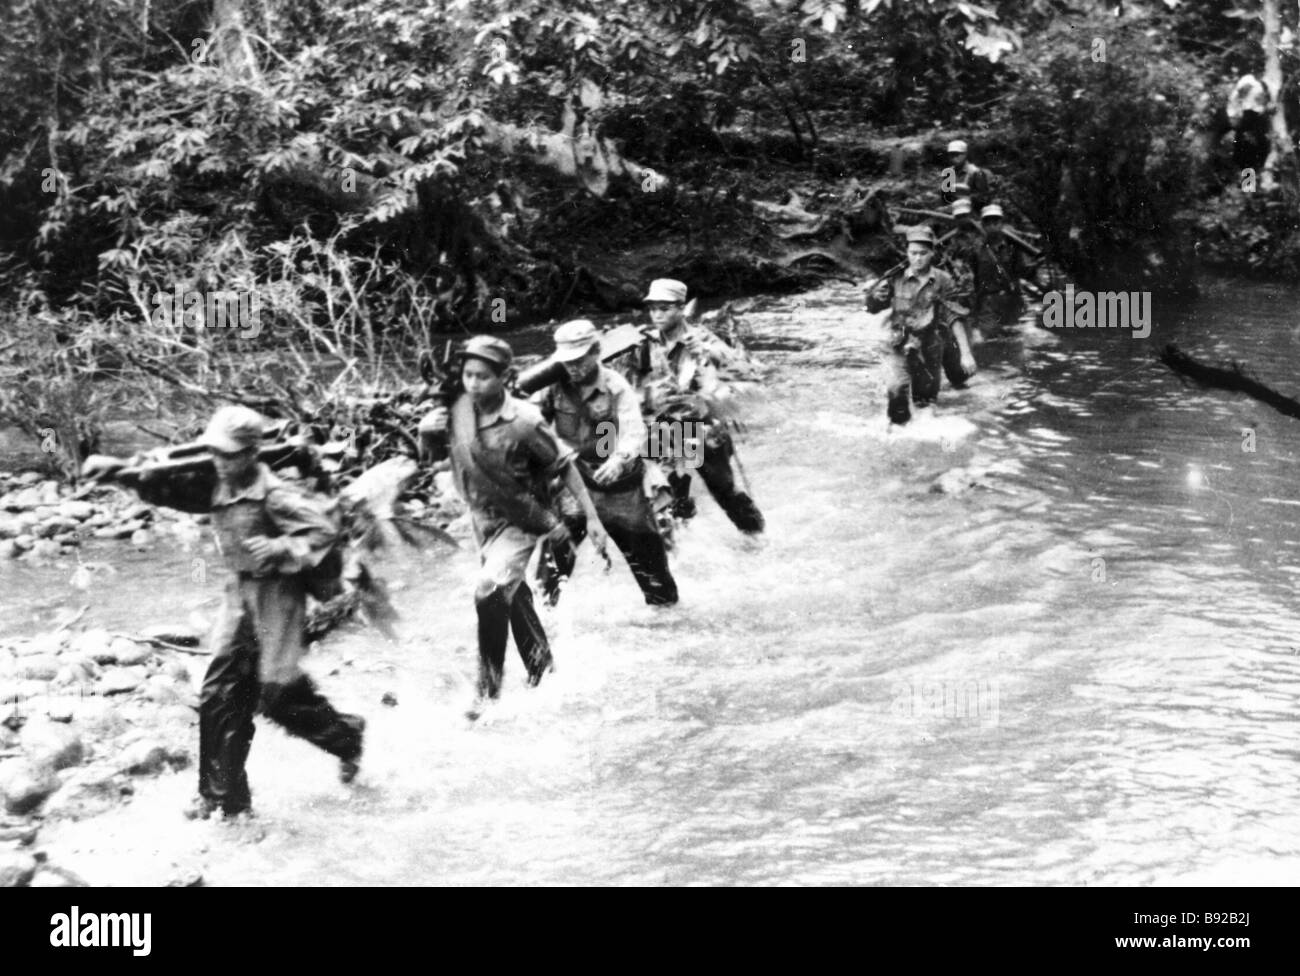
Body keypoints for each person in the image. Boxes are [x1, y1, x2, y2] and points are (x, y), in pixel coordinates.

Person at [86, 405, 366, 820]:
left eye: (230, 453)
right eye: (215, 451)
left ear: (253, 453)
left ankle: (345, 737)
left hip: (279, 594)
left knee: (277, 694)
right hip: (239, 595)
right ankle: (223, 798)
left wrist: (280, 547)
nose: (220, 460)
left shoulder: (276, 495)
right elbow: (169, 489)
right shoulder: (215, 484)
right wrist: (121, 472)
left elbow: (325, 530)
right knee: (220, 693)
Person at [418, 336, 610, 713]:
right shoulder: (458, 412)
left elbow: (564, 465)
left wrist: (592, 517)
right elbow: (433, 458)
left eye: (484, 377)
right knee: (513, 592)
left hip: (522, 518)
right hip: (481, 520)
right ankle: (543, 667)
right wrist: (427, 433)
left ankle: (487, 691)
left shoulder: (524, 421)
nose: (474, 384)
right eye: (469, 375)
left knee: (489, 592)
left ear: (504, 377)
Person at [532, 320, 679, 607]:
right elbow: (533, 424)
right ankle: (543, 621)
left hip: (620, 486)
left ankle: (667, 621)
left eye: (579, 360)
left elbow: (634, 430)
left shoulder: (615, 386)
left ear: (596, 351)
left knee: (654, 574)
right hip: (574, 484)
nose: (573, 368)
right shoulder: (552, 388)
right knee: (552, 568)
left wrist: (620, 458)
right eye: (567, 362)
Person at [636, 278, 764, 535]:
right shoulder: (646, 343)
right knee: (667, 496)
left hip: (702, 426)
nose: (657, 314)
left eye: (665, 308)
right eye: (653, 308)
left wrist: (707, 352)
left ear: (681, 308)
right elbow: (636, 384)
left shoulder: (703, 338)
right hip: (664, 426)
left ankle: (757, 537)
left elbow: (747, 371)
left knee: (724, 490)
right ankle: (678, 557)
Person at [865, 226, 977, 426]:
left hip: (930, 348)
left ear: (932, 253)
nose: (918, 259)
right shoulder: (895, 277)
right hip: (898, 344)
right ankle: (897, 438)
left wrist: (966, 353)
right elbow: (873, 308)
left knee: (924, 404)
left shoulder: (943, 280)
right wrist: (874, 296)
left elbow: (954, 317)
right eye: (913, 253)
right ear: (907, 253)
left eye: (923, 254)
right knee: (896, 390)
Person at [970, 203, 1034, 334]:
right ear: (983, 225)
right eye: (988, 222)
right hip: (987, 302)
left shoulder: (1012, 248)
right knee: (988, 339)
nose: (992, 226)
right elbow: (973, 277)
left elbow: (1023, 272)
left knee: (1014, 339)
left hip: (1010, 300)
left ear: (1002, 223)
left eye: (996, 221)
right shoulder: (976, 250)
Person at [940, 140, 991, 212]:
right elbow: (945, 197)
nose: (954, 157)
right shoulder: (948, 173)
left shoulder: (975, 172)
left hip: (973, 210)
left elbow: (983, 197)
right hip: (954, 209)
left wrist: (968, 200)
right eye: (951, 154)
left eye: (957, 154)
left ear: (965, 154)